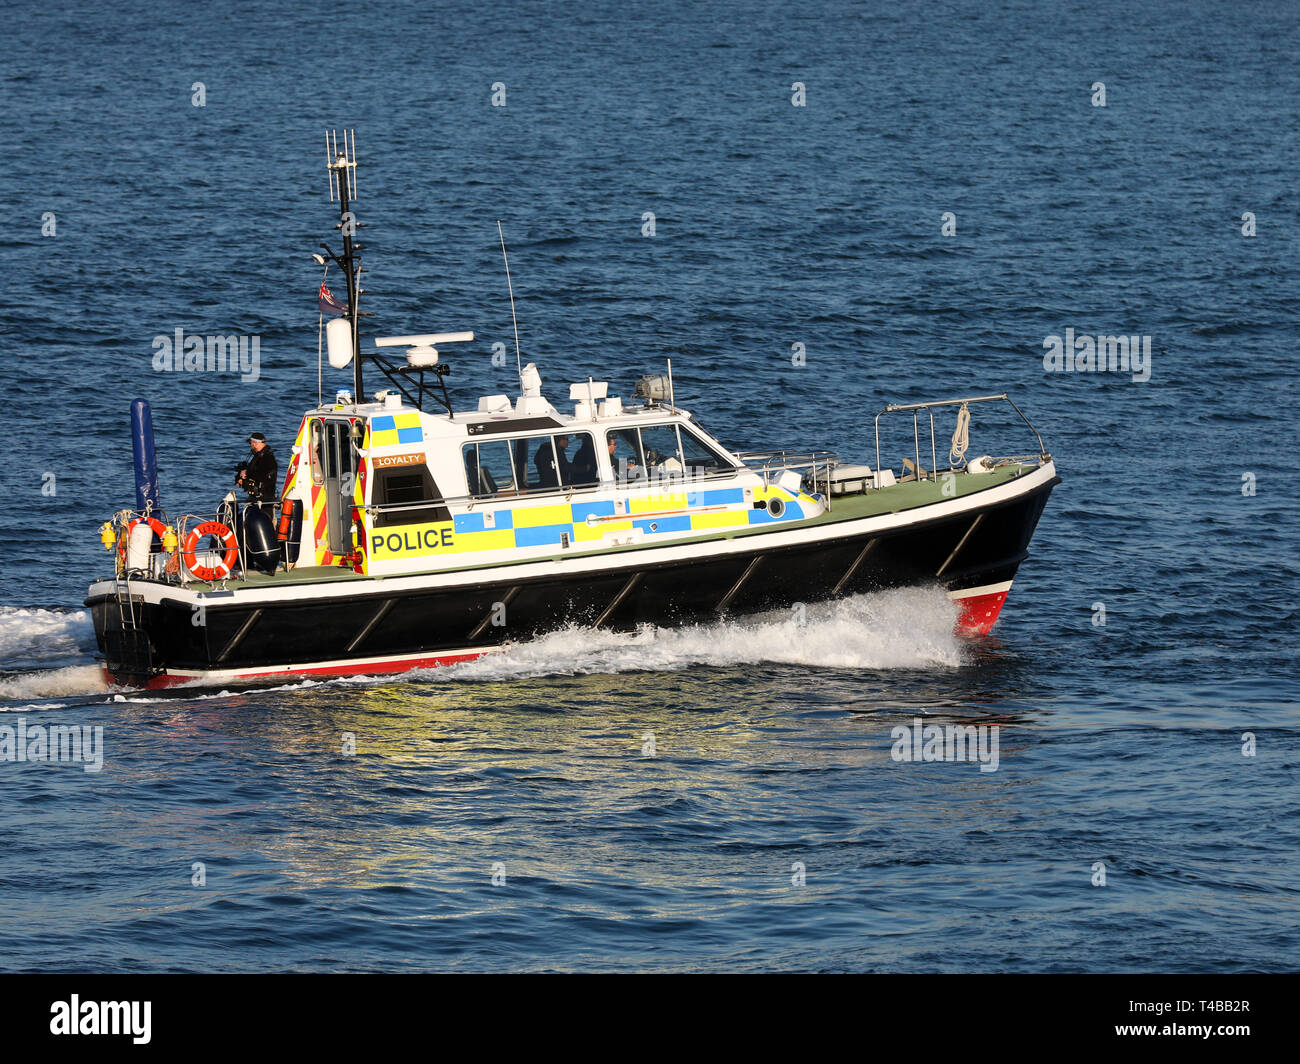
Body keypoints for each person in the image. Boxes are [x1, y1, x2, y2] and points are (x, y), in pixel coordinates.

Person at [235, 431, 278, 513]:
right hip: (256, 497)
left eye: (250, 443)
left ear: (254, 443)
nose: (250, 445)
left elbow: (263, 476)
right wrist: (242, 480)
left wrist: (247, 474)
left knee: (265, 518)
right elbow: (254, 473)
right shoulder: (257, 456)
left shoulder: (268, 457)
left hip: (264, 498)